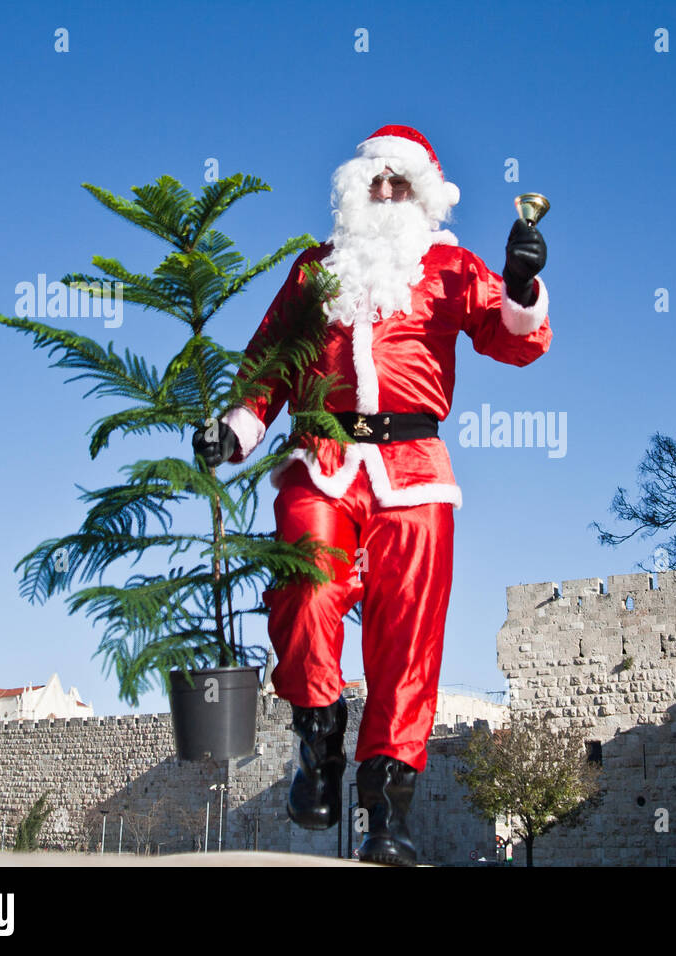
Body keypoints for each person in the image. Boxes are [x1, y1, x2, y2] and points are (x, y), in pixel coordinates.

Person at [194, 125, 550, 865]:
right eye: (375, 182)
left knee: (409, 638)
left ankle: (386, 813)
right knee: (304, 586)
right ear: (356, 191)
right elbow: (269, 366)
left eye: (401, 184)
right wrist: (234, 430)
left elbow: (514, 341)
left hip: (415, 465)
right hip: (320, 452)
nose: (386, 194)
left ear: (423, 196)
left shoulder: (451, 267)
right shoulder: (313, 272)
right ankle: (319, 741)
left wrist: (521, 289)